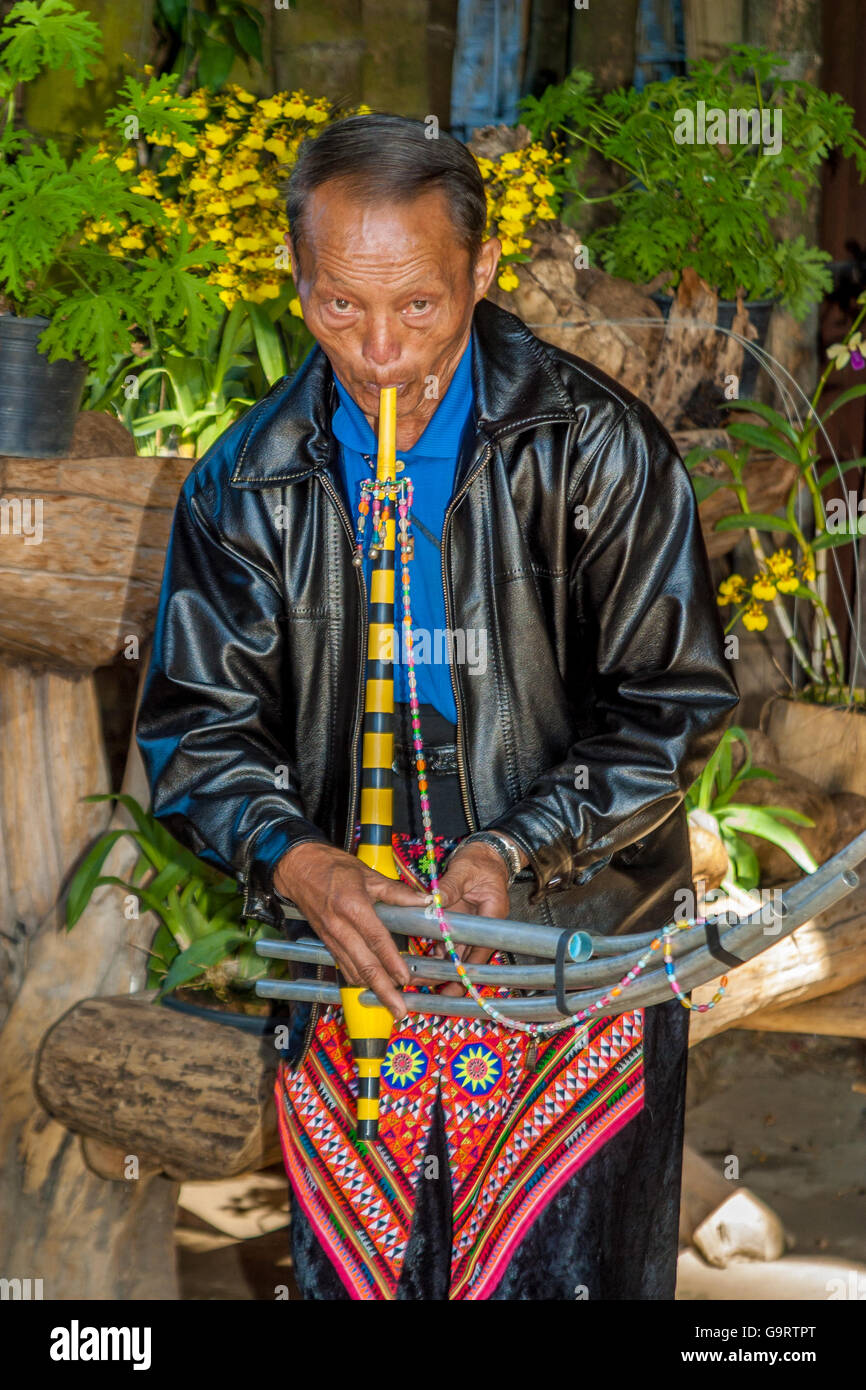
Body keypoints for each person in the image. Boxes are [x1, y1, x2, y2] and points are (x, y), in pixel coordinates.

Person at [136, 113, 739, 1301]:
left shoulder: (594, 449)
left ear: (479, 270)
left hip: (570, 935)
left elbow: (671, 701)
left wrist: (518, 842)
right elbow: (198, 734)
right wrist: (296, 858)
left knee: (560, 1273)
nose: (378, 352)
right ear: (294, 282)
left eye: (419, 305)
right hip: (349, 946)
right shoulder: (245, 482)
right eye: (336, 307)